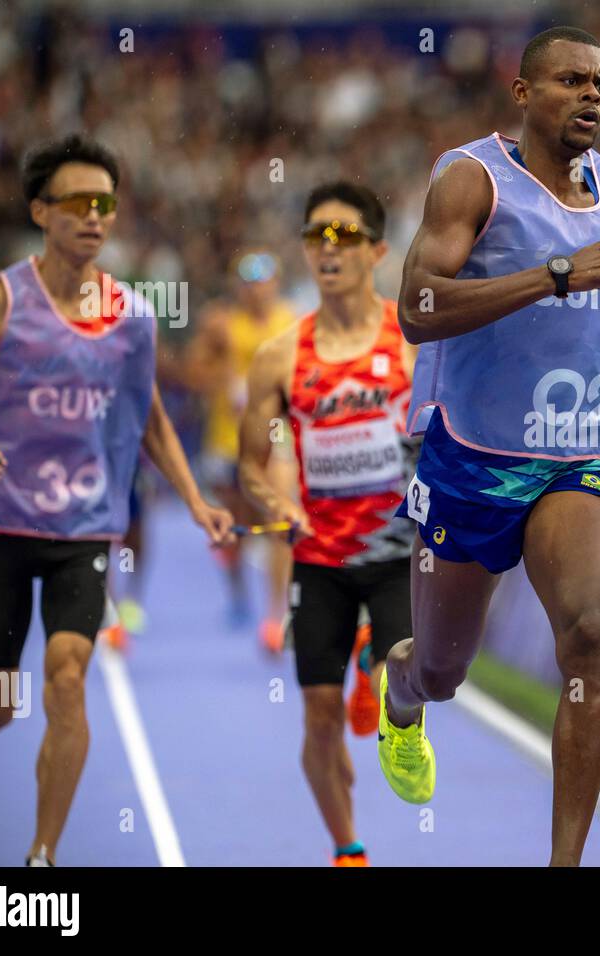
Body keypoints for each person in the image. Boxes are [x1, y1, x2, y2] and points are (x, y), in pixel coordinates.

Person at [381, 26, 600, 866]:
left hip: (572, 451)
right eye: (572, 80)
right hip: (472, 453)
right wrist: (551, 274)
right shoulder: (472, 178)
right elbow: (417, 309)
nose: (592, 96)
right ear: (523, 92)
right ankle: (402, 692)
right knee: (442, 671)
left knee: (589, 633)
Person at [0, 133, 234, 866]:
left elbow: (150, 418)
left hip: (85, 527)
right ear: (41, 211)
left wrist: (196, 502)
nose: (94, 215)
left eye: (105, 203)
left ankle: (43, 854)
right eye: (77, 202)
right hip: (0, 525)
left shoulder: (132, 316)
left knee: (68, 676)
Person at [239, 181, 417, 867]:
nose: (328, 249)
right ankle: (348, 848)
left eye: (344, 236)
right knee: (318, 716)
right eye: (317, 236)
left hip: (399, 552)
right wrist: (274, 502)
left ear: (377, 251)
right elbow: (251, 467)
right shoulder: (279, 356)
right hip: (318, 559)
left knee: (415, 679)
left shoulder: (415, 342)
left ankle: (377, 666)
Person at [185, 249, 299, 650]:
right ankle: (237, 590)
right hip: (227, 440)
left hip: (274, 437)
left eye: (264, 283)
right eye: (249, 284)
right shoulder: (221, 323)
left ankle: (276, 615)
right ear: (238, 287)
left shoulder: (292, 322)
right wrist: (222, 376)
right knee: (233, 531)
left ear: (276, 284)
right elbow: (193, 373)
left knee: (280, 521)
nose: (257, 291)